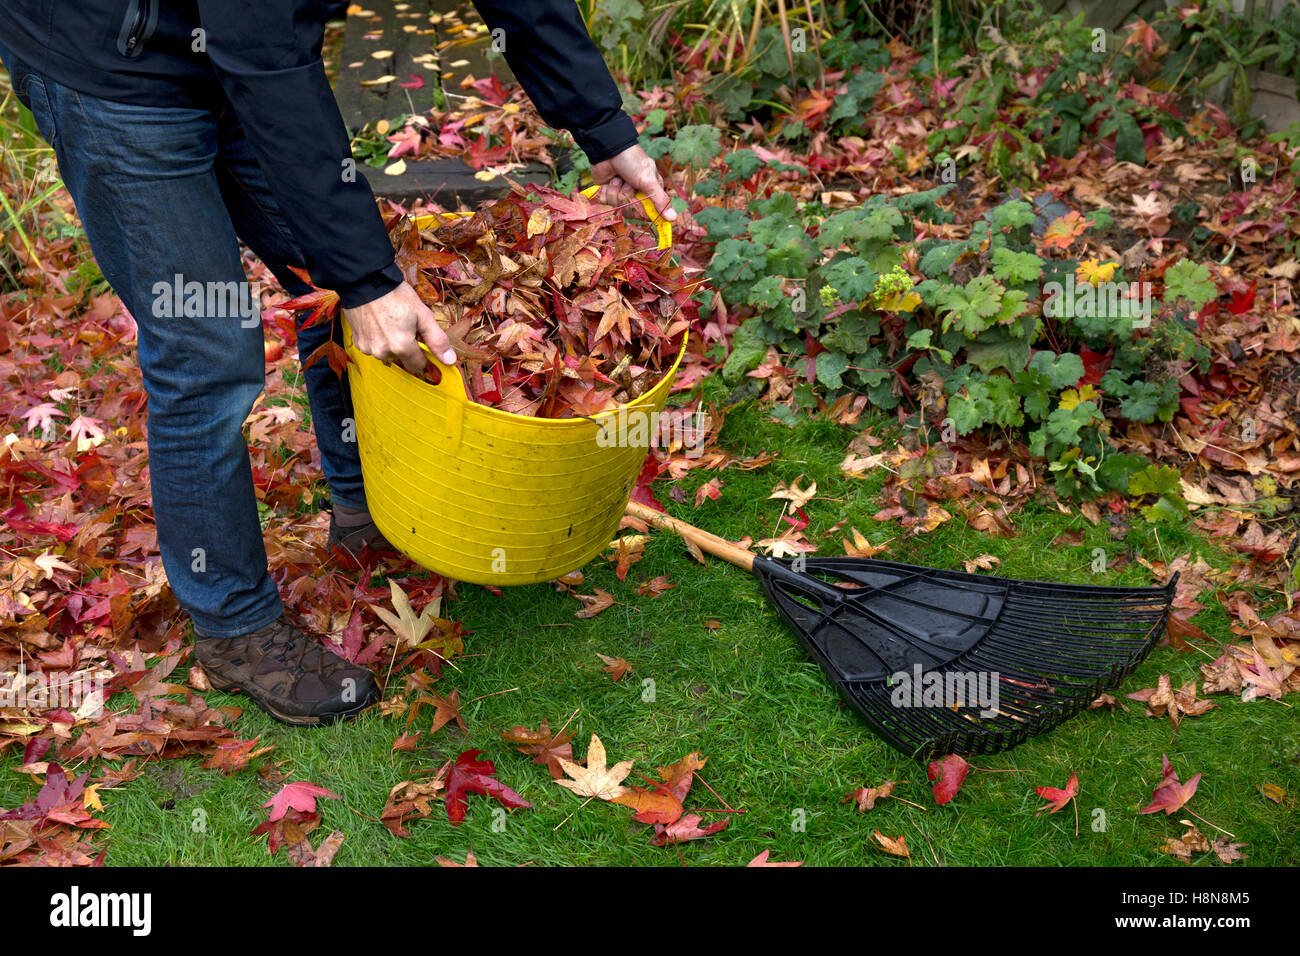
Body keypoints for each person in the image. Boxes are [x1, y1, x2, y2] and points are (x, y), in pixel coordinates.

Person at [0, 1, 676, 726]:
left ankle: (366, 509)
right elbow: (261, 49)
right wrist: (365, 282)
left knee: (337, 268)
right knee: (207, 349)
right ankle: (234, 626)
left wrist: (600, 123)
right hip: (112, 63)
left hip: (243, 47)